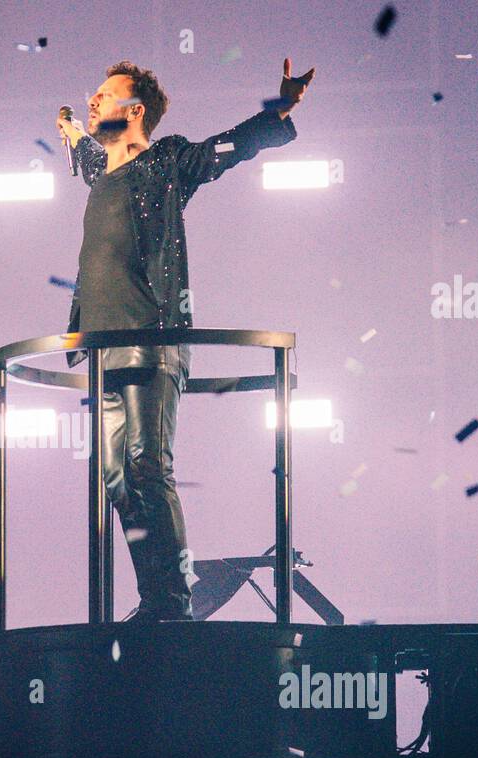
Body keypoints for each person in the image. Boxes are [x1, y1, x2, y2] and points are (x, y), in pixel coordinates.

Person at [56, 58, 314, 622]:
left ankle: (172, 601)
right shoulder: (101, 170)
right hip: (101, 346)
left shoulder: (167, 162)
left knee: (149, 465)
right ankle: (156, 597)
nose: (94, 100)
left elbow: (231, 146)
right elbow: (85, 153)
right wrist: (73, 128)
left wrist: (283, 108)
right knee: (118, 476)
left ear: (136, 109)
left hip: (151, 335)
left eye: (105, 94)